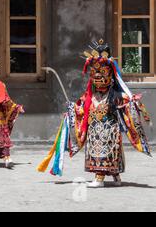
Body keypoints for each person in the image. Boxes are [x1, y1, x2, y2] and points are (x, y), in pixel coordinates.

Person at [38, 39, 152, 187]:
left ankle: (102, 178)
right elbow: (81, 109)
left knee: (110, 152)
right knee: (100, 151)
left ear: (110, 76)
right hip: (94, 130)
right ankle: (114, 177)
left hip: (109, 129)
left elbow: (127, 104)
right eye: (95, 74)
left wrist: (133, 103)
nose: (98, 78)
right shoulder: (90, 95)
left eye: (103, 73)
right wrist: (72, 109)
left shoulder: (116, 95)